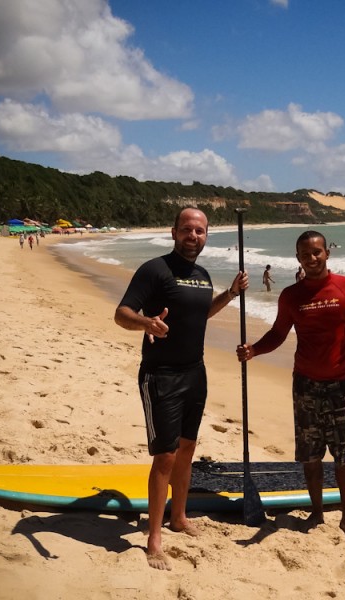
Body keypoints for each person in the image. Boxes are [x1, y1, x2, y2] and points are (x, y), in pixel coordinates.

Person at [114, 207, 248, 570]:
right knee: (166, 455)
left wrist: (231, 293)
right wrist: (147, 323)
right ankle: (154, 537)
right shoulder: (155, 270)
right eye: (187, 229)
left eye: (200, 231)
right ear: (174, 232)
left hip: (195, 373)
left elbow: (199, 314)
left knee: (188, 448)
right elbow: (121, 313)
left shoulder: (202, 276)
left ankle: (179, 516)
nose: (193, 236)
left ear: (207, 235)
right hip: (161, 375)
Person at [236, 230, 345, 540]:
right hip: (304, 385)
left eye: (317, 252)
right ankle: (316, 513)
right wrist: (254, 350)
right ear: (297, 258)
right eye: (305, 254)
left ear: (327, 252)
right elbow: (277, 334)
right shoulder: (291, 296)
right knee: (310, 455)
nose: (312, 258)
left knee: (343, 455)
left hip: (338, 384)